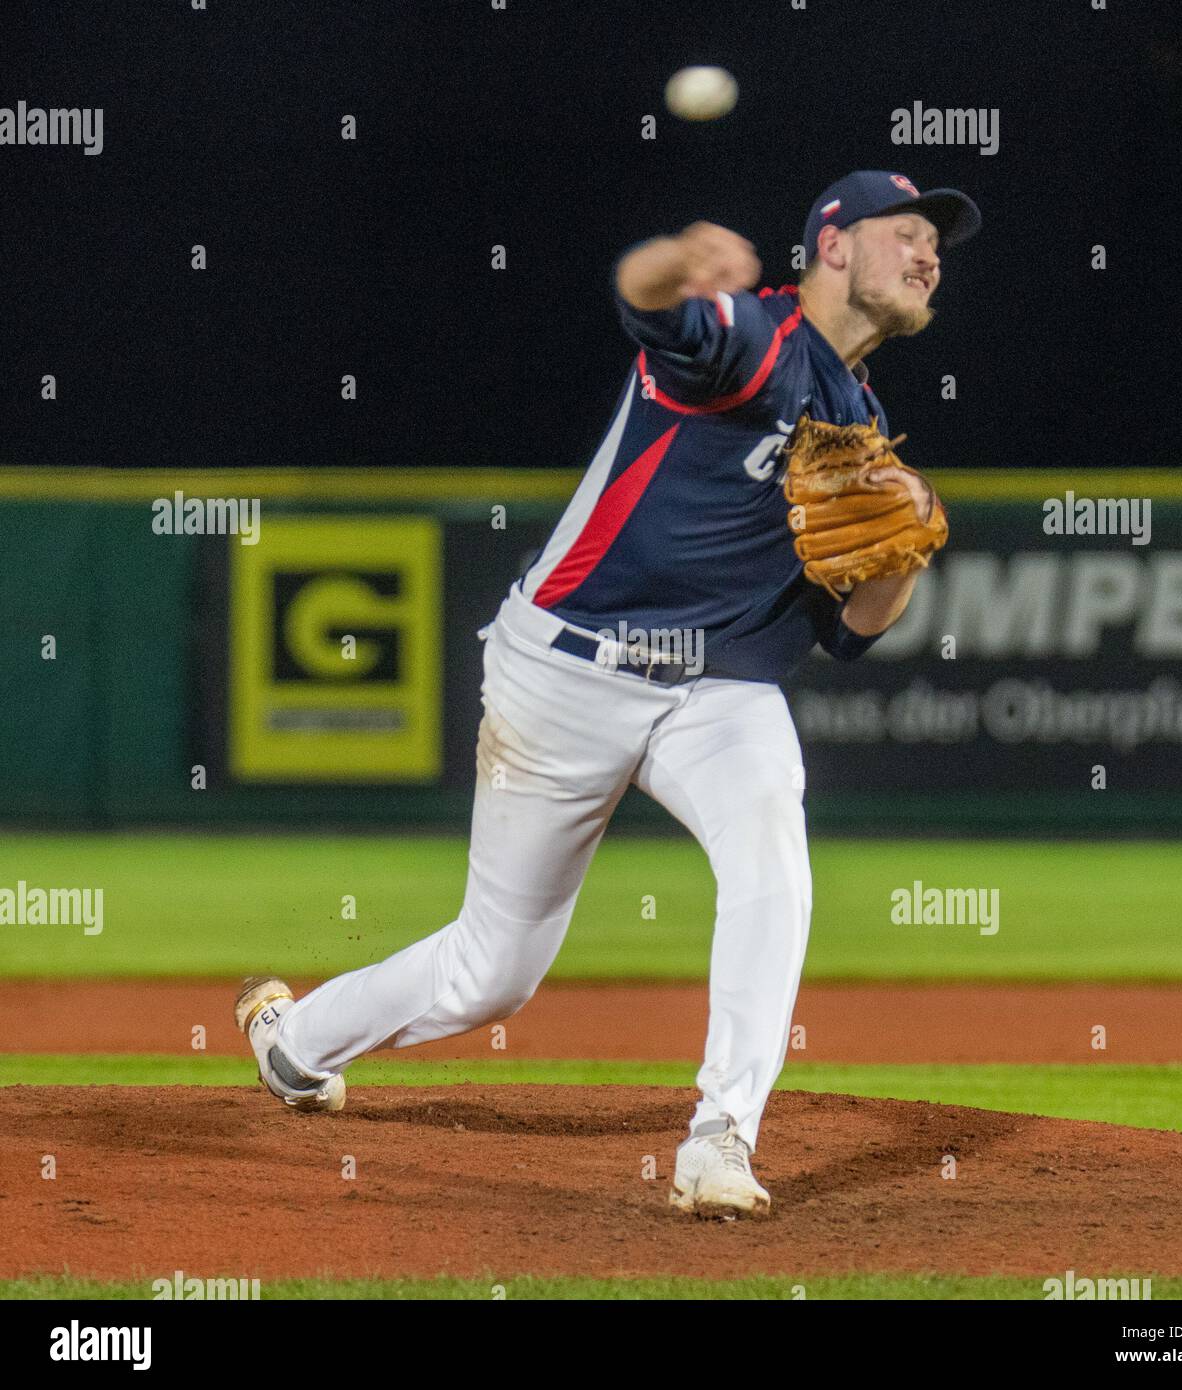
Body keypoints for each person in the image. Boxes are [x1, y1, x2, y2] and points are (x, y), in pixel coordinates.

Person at [236, 169, 981, 1219]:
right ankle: (298, 1041)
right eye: (902, 233)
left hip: (715, 691)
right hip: (565, 672)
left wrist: (906, 551)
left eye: (934, 242)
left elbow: (851, 631)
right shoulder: (749, 337)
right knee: (492, 978)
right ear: (832, 247)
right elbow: (642, 297)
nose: (926, 253)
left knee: (772, 850)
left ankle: (721, 1134)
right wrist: (680, 259)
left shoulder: (859, 419)